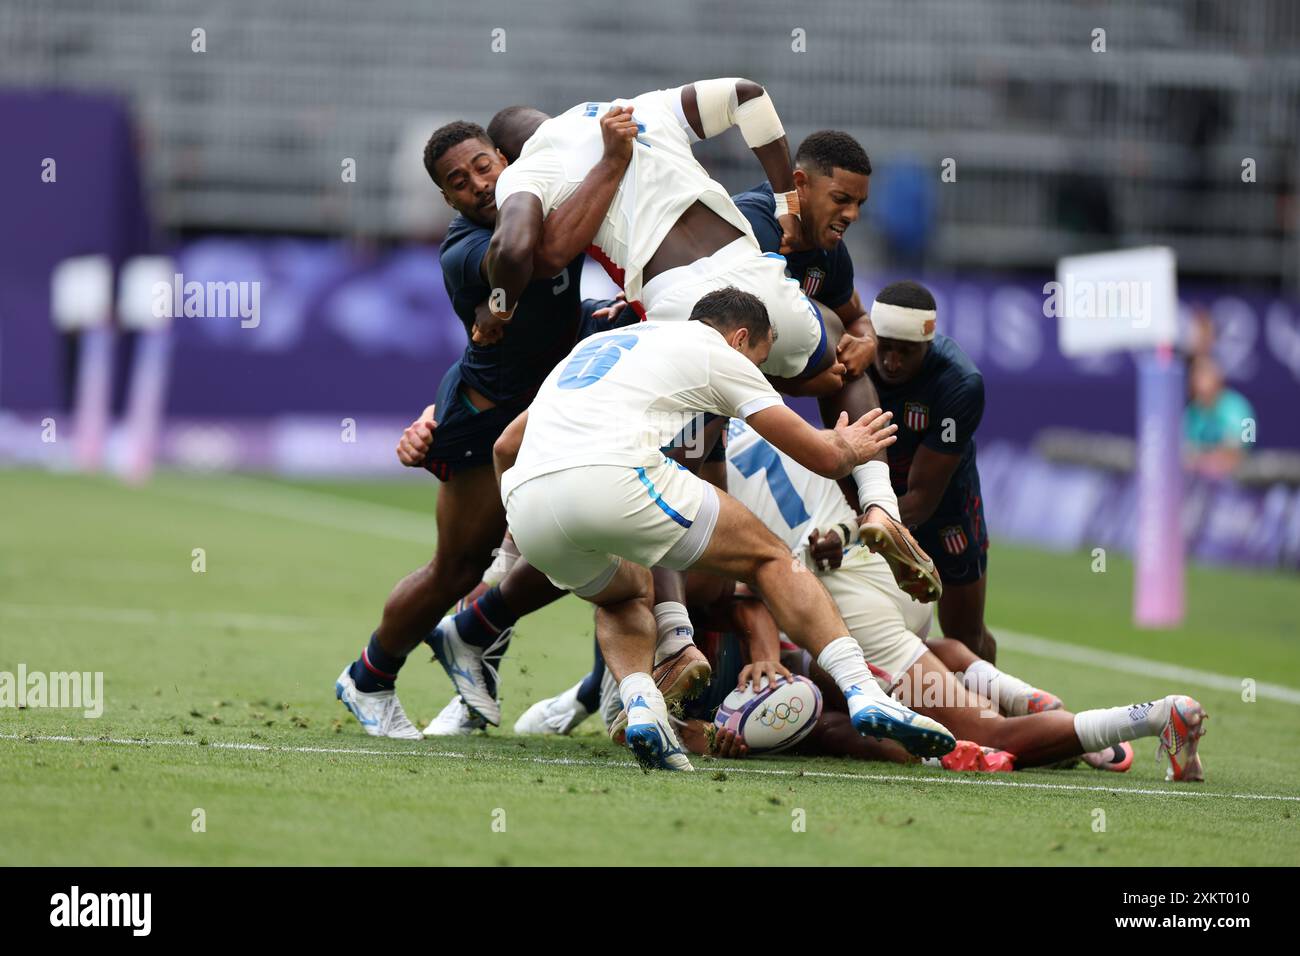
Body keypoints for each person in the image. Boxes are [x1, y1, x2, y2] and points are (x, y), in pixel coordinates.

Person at [493, 287, 957, 771]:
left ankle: (641, 707)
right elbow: (822, 457)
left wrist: (518, 527)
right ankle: (864, 691)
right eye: (760, 359)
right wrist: (851, 446)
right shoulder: (718, 352)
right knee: (769, 557)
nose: (758, 372)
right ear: (740, 339)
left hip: (527, 506)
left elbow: (506, 447)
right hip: (614, 475)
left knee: (621, 595)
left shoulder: (604, 345)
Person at [335, 110, 642, 739]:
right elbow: (527, 255)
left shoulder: (542, 196)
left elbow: (549, 311)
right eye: (458, 180)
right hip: (485, 418)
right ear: (445, 198)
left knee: (568, 544)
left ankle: (492, 660)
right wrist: (610, 163)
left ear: (504, 160)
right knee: (458, 568)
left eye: (483, 166)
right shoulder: (466, 247)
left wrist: (597, 316)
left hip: (536, 413)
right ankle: (369, 677)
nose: (476, 183)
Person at [865, 280, 998, 661]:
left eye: (905, 353)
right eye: (884, 348)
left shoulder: (959, 384)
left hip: (945, 510)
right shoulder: (854, 363)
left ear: (928, 344)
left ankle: (992, 714)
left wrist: (849, 531)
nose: (891, 362)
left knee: (964, 638)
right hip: (868, 499)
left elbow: (921, 501)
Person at [1185, 353, 1255, 478]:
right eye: (1195, 375)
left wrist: (1220, 458)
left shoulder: (1241, 406)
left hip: (1237, 481)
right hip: (1197, 482)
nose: (1198, 380)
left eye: (1204, 373)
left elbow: (1247, 443)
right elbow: (1185, 452)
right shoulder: (1190, 413)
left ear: (1218, 376)